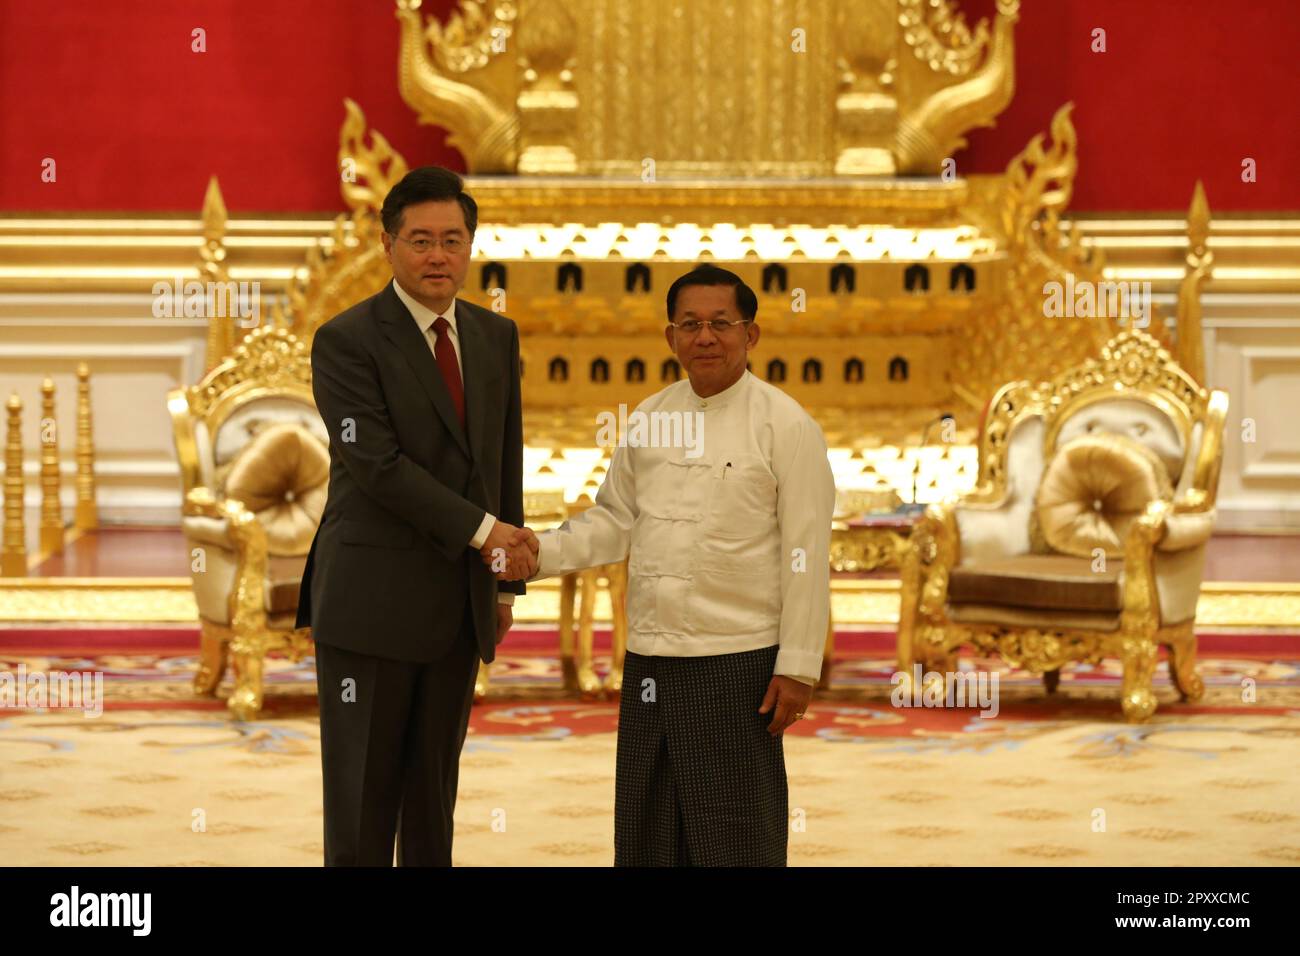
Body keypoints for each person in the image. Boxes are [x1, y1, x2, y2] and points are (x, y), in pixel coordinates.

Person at [496, 264, 835, 866]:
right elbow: (615, 520)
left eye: (721, 324)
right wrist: (538, 553)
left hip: (740, 661)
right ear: (670, 337)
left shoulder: (787, 425)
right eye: (690, 324)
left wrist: (800, 665)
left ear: (750, 335)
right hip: (653, 657)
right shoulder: (650, 418)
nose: (706, 337)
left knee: (735, 838)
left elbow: (805, 555)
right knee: (650, 832)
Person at [296, 166, 538, 866]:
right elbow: (375, 466)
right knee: (364, 804)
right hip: (369, 605)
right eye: (421, 240)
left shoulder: (495, 337)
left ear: (471, 247)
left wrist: (500, 582)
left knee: (434, 799)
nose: (438, 255)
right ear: (388, 245)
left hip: (457, 603)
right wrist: (487, 534)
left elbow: (502, 464)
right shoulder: (346, 341)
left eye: (453, 240)